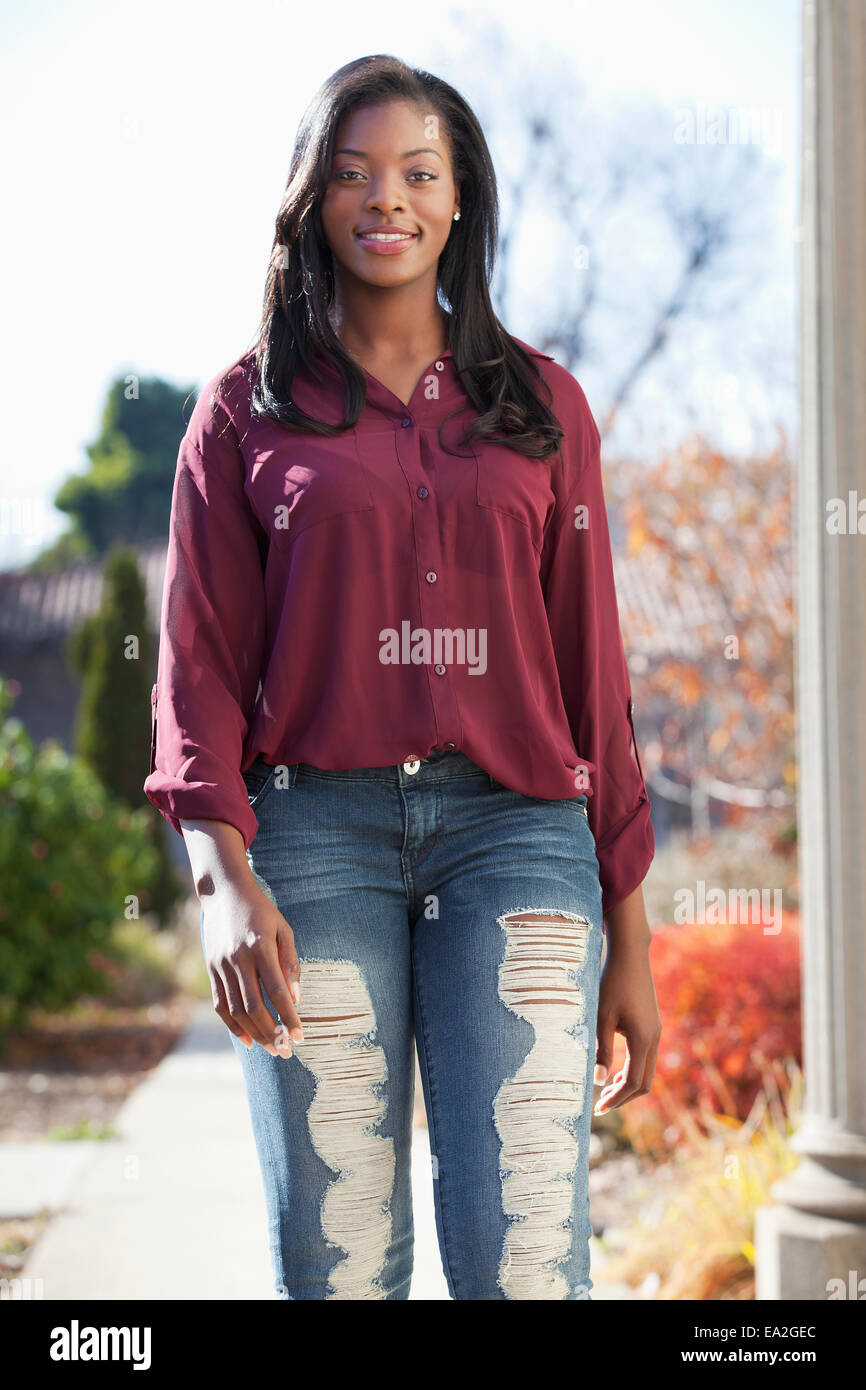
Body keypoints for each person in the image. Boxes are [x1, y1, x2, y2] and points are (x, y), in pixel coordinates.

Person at [144, 54, 661, 1302]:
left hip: (514, 833)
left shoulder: (543, 407)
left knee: (526, 1252)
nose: (389, 198)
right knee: (339, 1256)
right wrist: (219, 881)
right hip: (310, 834)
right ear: (314, 200)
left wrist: (631, 942)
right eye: (354, 171)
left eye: (419, 172)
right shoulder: (243, 411)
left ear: (459, 199)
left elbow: (591, 668)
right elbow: (198, 663)